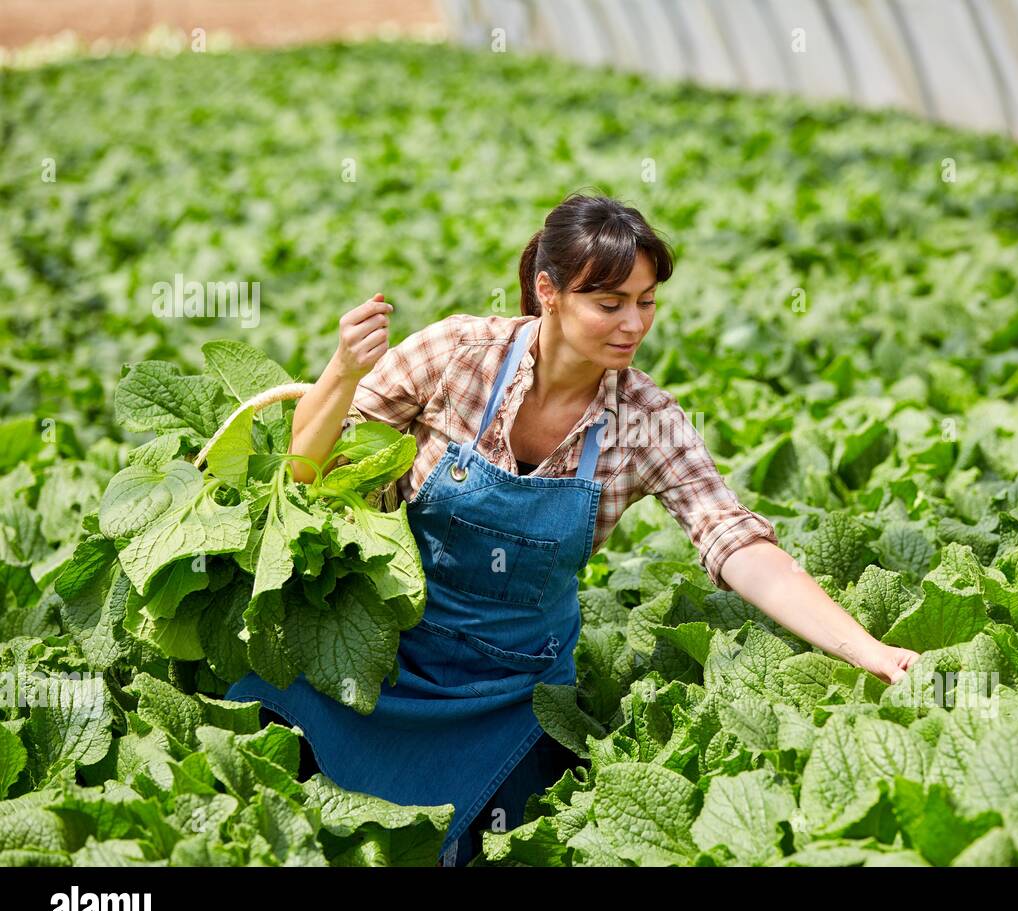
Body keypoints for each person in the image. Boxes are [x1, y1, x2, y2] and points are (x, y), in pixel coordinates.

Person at [224, 191, 919, 866]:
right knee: (260, 758)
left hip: (509, 690)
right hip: (381, 649)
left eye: (646, 302)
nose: (634, 324)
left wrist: (866, 650)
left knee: (476, 841)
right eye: (609, 303)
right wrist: (343, 368)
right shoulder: (456, 355)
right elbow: (309, 468)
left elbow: (735, 541)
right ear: (548, 290)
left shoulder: (647, 419)